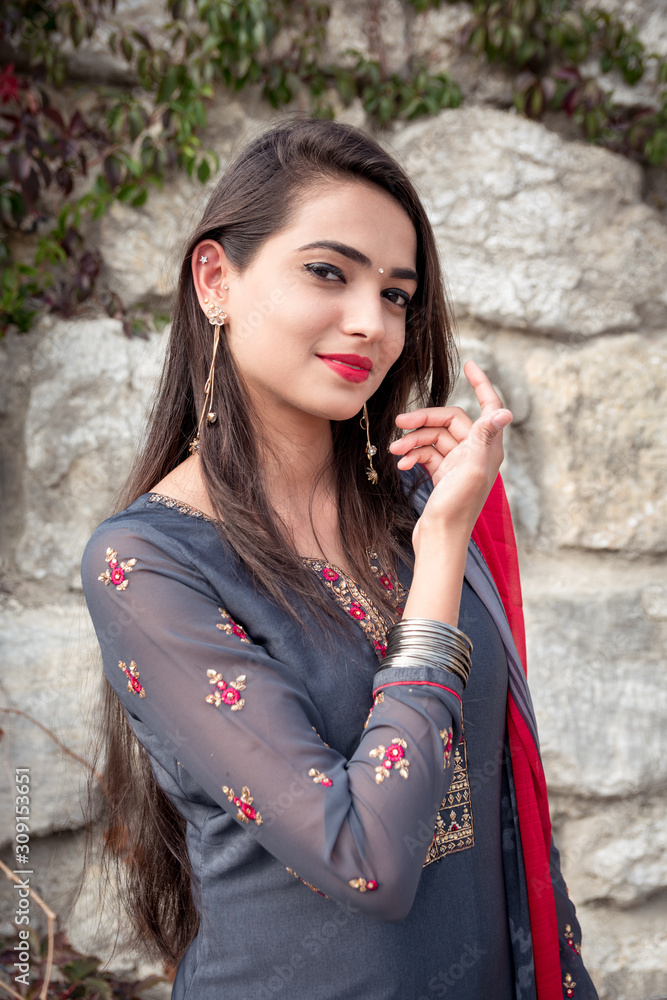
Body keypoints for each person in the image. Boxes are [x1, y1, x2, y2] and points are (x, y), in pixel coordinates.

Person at [81, 117, 598, 1000]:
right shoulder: (146, 564)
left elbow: (507, 812)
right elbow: (366, 859)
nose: (371, 323)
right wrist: (443, 553)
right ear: (215, 280)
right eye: (328, 272)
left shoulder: (416, 504)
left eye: (396, 294)